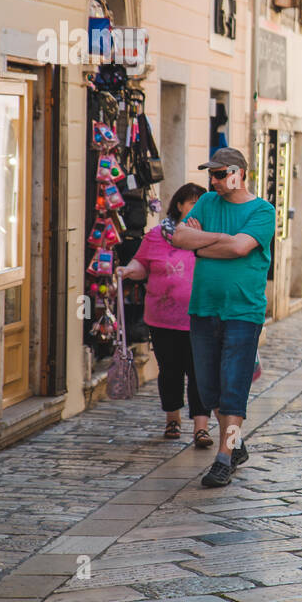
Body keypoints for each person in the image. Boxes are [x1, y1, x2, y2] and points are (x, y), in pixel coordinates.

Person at [169, 147, 277, 489]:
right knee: (209, 388)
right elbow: (179, 236)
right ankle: (236, 444)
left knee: (233, 388)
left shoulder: (262, 211)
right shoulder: (205, 204)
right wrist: (216, 239)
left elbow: (240, 248)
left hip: (243, 312)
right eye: (210, 175)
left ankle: (223, 458)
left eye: (219, 174)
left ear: (239, 173)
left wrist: (203, 244)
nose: (213, 180)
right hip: (203, 307)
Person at [116, 182, 210, 447]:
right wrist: (128, 271)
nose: (197, 208)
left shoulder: (209, 235)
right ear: (179, 205)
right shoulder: (156, 235)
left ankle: (201, 428)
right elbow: (142, 263)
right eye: (193, 202)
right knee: (170, 371)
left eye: (202, 203)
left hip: (200, 317)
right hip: (163, 318)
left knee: (199, 372)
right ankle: (173, 419)